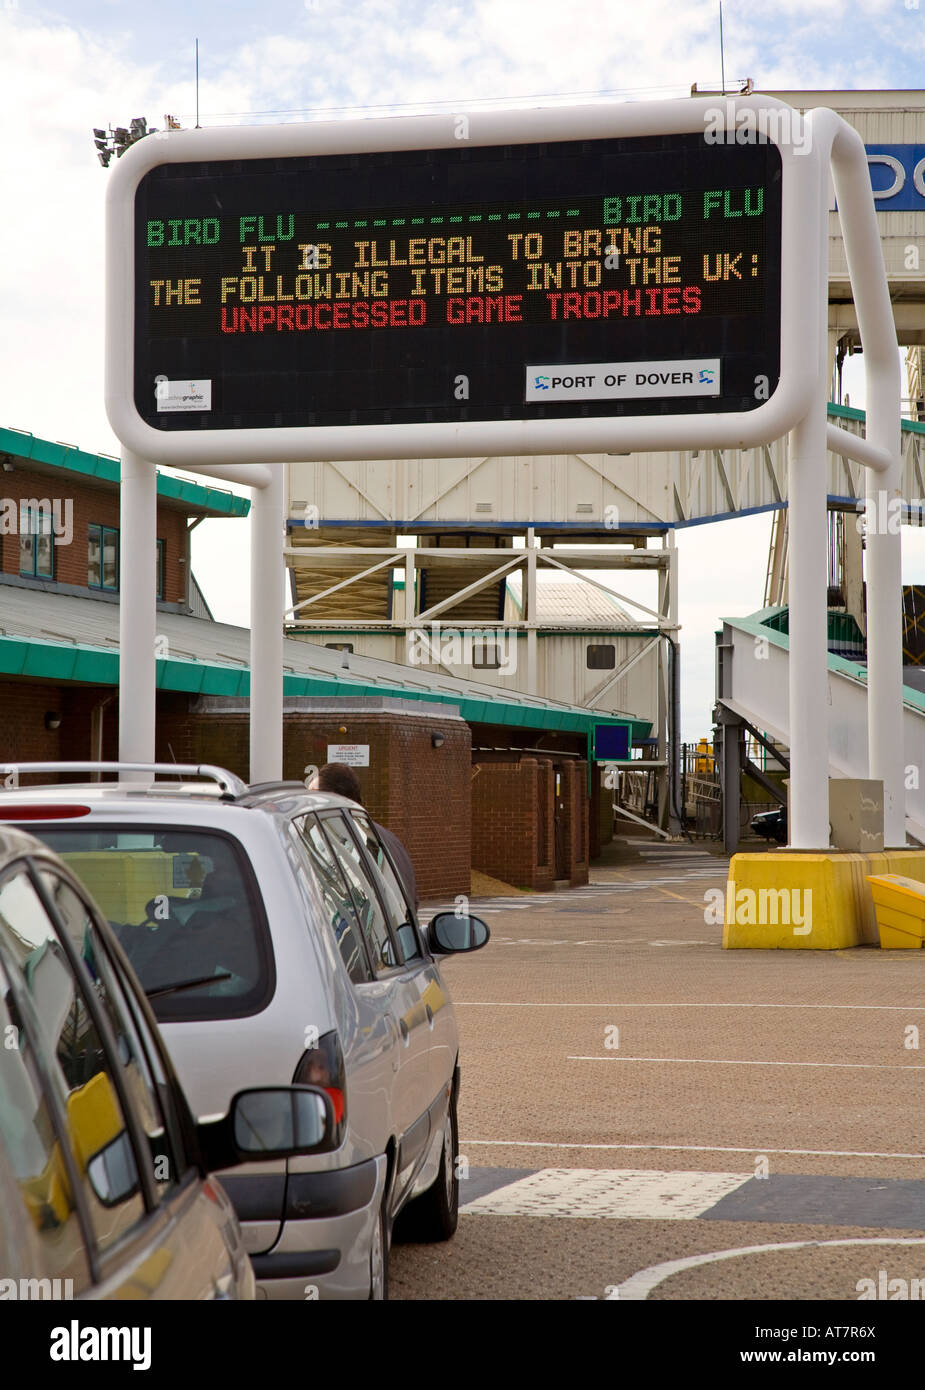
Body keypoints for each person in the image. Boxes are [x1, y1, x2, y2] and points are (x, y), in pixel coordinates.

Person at [310, 762, 419, 910]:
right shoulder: (390, 839)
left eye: (312, 794)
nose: (308, 802)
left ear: (333, 798)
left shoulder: (353, 843)